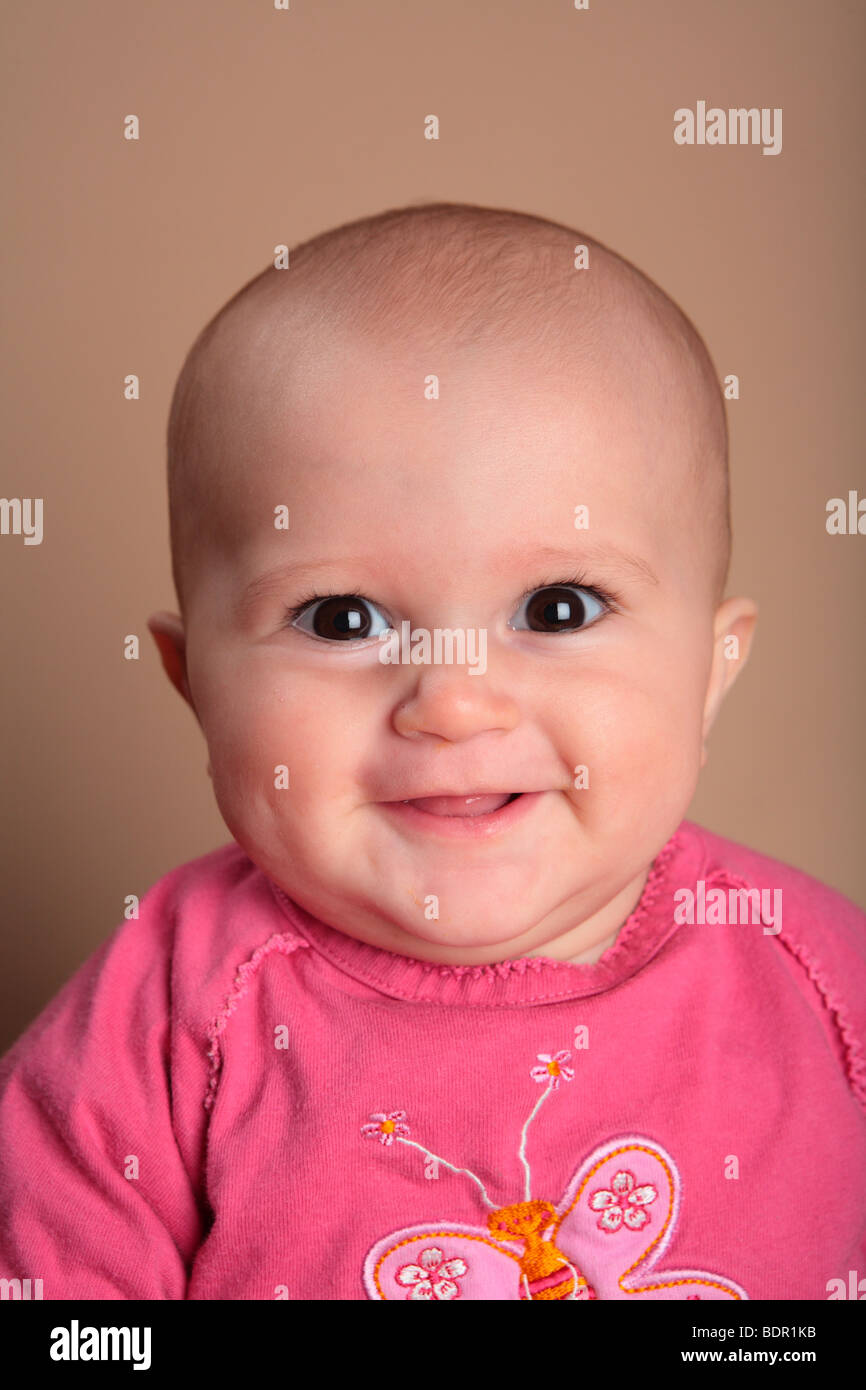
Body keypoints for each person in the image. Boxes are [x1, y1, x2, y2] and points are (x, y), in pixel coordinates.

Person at [1, 202, 864, 1300]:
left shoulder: (818, 977)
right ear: (194, 683)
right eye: (341, 619)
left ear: (709, 669)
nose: (452, 702)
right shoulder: (163, 1016)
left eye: (556, 608)